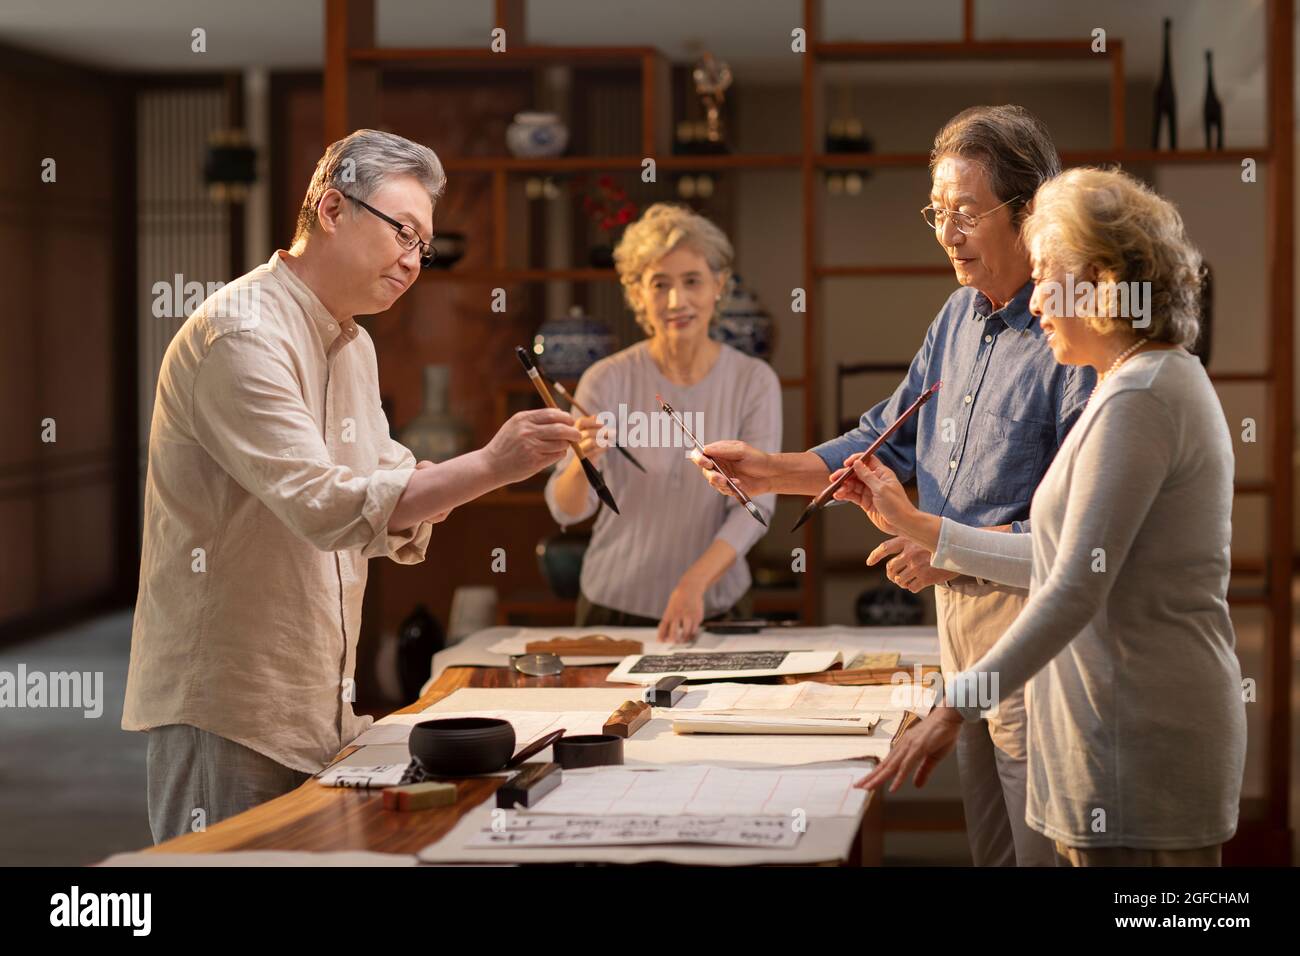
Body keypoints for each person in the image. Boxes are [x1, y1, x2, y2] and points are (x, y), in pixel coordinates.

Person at [123, 129, 581, 843]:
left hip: (317, 701)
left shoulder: (353, 340)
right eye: (404, 232)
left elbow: (384, 477)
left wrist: (475, 470)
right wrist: (492, 465)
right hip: (231, 701)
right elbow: (327, 505)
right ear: (333, 209)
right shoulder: (243, 334)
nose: (414, 260)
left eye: (424, 248)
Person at [692, 106, 1095, 866]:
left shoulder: (1067, 331)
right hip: (958, 633)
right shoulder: (954, 316)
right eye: (937, 213)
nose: (947, 233)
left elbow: (1077, 526)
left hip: (1039, 640)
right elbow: (886, 439)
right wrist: (768, 468)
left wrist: (951, 552)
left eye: (966, 213)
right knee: (994, 853)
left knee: (1044, 855)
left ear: (1029, 208)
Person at [843, 167, 1246, 867]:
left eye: (1045, 279)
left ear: (1100, 284)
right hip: (1103, 731)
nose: (1036, 306)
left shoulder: (1142, 398)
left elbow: (1070, 589)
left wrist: (953, 706)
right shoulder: (1131, 386)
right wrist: (915, 525)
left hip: (1139, 736)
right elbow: (1063, 558)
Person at [545, 203, 781, 643]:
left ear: (718, 287)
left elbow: (756, 506)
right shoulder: (605, 379)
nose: (677, 301)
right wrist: (581, 461)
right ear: (637, 295)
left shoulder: (754, 381)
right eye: (659, 284)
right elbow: (567, 508)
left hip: (715, 606)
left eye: (692, 281)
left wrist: (693, 584)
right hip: (613, 607)